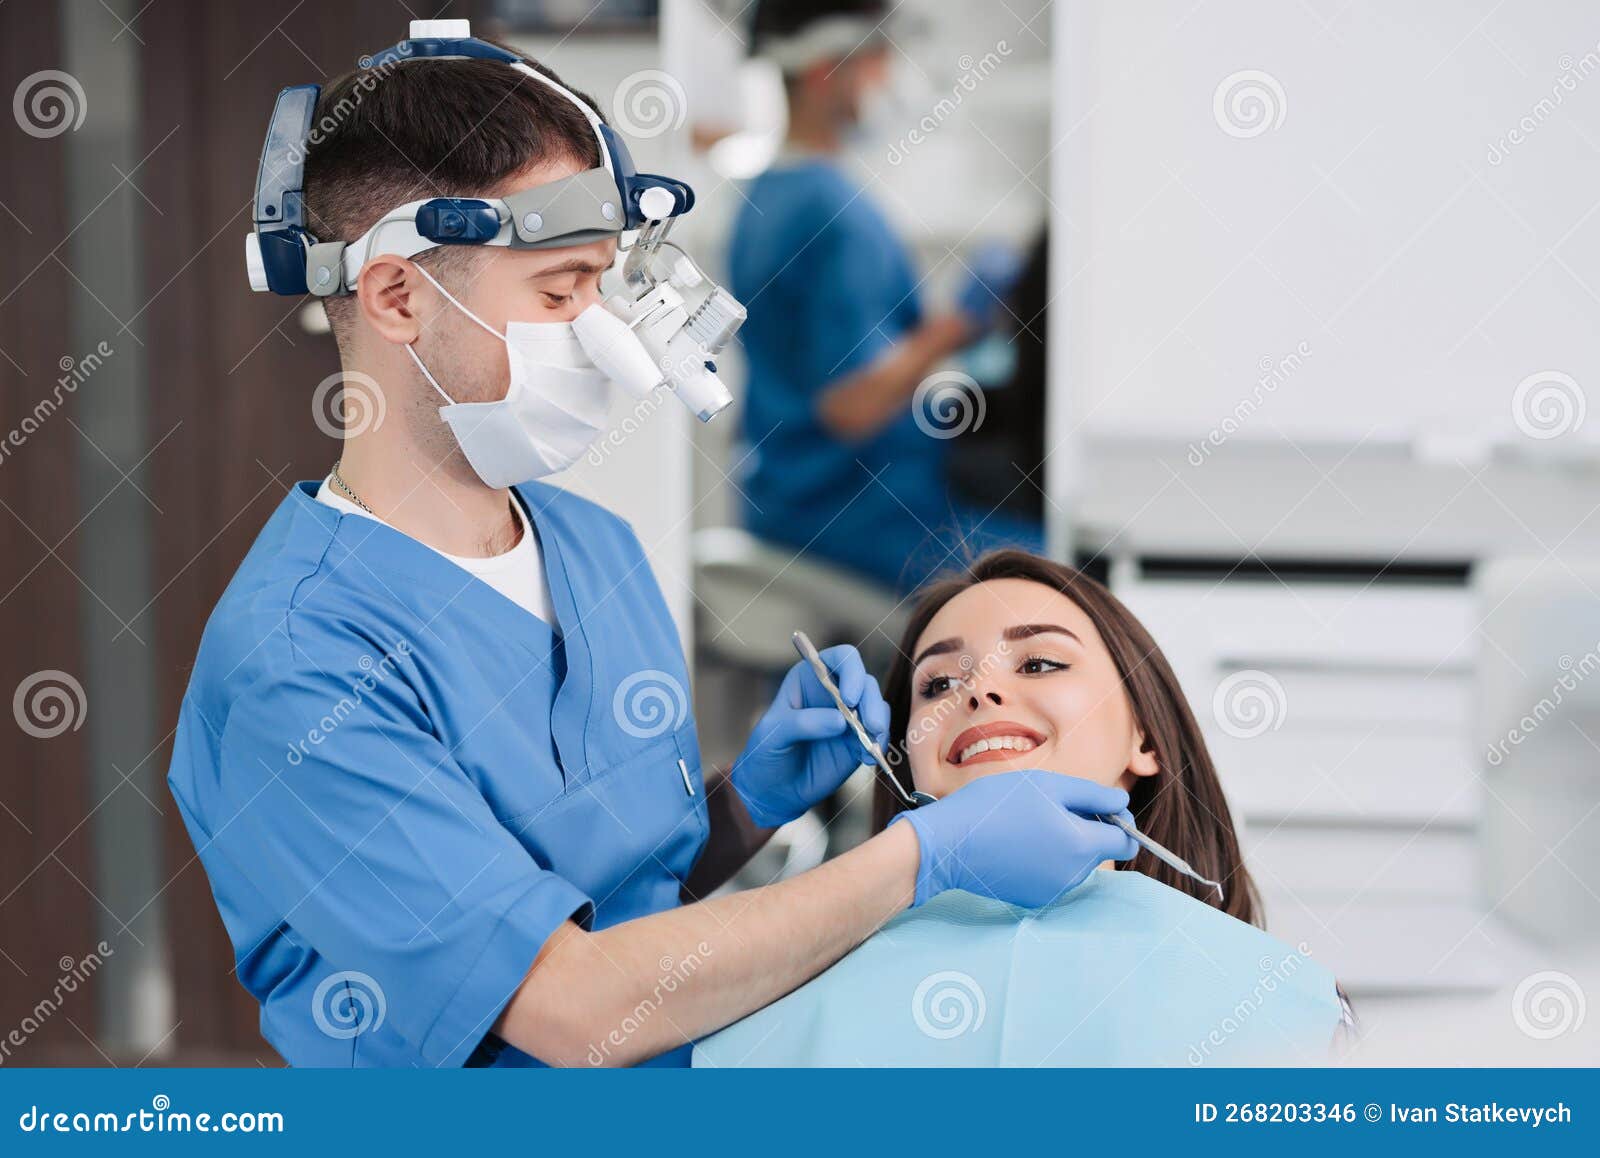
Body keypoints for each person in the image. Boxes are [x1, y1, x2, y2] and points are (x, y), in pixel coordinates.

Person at [165, 22, 1139, 1069]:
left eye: (600, 286)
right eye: (555, 294)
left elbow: (624, 904)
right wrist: (920, 857)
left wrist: (744, 808)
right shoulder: (299, 663)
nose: (605, 342)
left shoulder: (593, 549)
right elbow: (570, 1006)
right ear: (398, 297)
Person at [695, 550, 1351, 1065]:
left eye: (1038, 664)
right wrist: (740, 810)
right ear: (905, 754)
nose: (978, 692)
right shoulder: (766, 989)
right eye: (939, 684)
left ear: (1146, 737)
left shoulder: (1277, 1002)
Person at [729, 0, 1042, 594]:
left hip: (792, 502)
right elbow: (850, 405)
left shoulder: (768, 193)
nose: (890, 79)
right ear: (827, 70)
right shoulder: (829, 208)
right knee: (1066, 576)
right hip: (857, 517)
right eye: (878, 61)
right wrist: (961, 325)